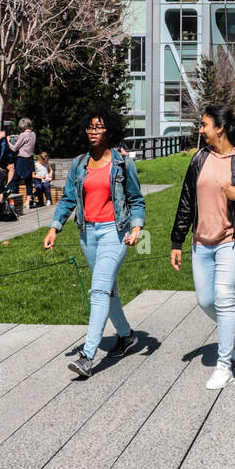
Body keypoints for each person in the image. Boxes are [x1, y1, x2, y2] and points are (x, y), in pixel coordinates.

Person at [170, 104, 235, 390]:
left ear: (220, 128)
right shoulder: (199, 159)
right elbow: (186, 200)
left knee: (224, 298)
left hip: (232, 241)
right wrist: (177, 240)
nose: (201, 129)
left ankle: (224, 365)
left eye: (204, 125)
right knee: (205, 300)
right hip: (202, 242)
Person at [45, 108, 146, 379]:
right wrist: (55, 227)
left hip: (116, 232)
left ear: (110, 131)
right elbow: (68, 199)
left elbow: (136, 199)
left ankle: (87, 356)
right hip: (87, 233)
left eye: (98, 127)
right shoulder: (80, 164)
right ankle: (126, 336)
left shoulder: (123, 164)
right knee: (107, 287)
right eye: (90, 127)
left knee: (99, 290)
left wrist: (136, 227)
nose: (93, 131)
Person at [11, 118, 37, 210]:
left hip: (22, 159)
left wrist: (8, 141)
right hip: (30, 159)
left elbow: (14, 148)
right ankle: (27, 202)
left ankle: (14, 200)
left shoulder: (23, 134)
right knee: (29, 181)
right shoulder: (33, 134)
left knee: (15, 180)